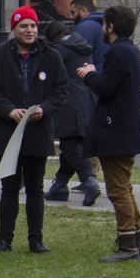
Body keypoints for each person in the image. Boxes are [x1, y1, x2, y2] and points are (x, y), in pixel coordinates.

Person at [0, 7, 70, 254]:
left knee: (35, 187)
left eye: (33, 26)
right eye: (23, 26)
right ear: (14, 29)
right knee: (9, 187)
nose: (29, 30)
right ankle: (4, 239)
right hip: (7, 131)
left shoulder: (51, 56)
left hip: (38, 130)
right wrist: (8, 110)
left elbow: (61, 89)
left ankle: (35, 240)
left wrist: (45, 109)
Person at [74, 5, 140, 261]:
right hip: (127, 130)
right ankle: (136, 241)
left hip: (115, 131)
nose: (103, 29)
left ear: (111, 27)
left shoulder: (117, 51)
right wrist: (96, 73)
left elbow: (106, 88)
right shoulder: (131, 50)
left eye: (104, 24)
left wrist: (88, 75)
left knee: (117, 190)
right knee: (125, 187)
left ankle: (128, 245)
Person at [43, 21, 100, 206]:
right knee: (72, 144)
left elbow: (49, 76)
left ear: (53, 39)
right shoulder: (82, 46)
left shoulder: (59, 50)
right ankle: (59, 185)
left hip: (68, 102)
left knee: (70, 144)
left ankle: (89, 182)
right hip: (87, 100)